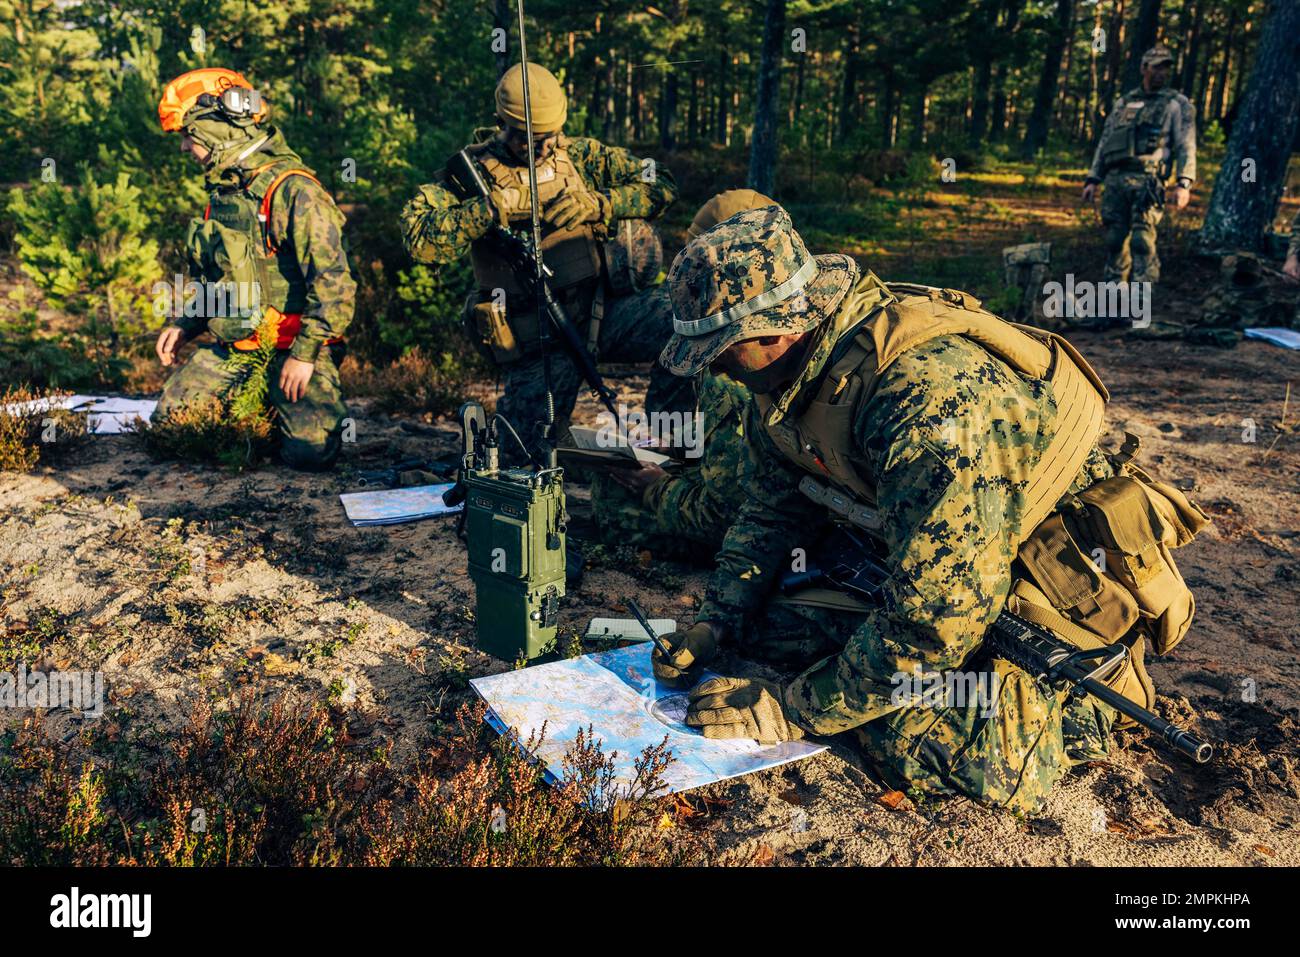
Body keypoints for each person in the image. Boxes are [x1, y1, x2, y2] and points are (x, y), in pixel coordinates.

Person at [649, 205, 1207, 812]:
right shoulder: (789, 378)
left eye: (720, 351)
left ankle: (1077, 714)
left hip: (1047, 596)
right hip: (935, 567)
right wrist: (717, 622)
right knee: (767, 633)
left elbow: (937, 618)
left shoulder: (921, 402)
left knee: (938, 750)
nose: (713, 369)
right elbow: (773, 507)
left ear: (777, 327)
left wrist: (793, 710)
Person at [400, 62, 688, 461]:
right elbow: (420, 240)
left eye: (547, 137)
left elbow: (662, 183)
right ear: (501, 121)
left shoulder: (583, 157)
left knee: (687, 324)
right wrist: (481, 213)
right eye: (524, 139)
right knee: (524, 462)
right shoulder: (471, 173)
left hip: (604, 313)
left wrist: (600, 203)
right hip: (538, 339)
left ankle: (672, 457)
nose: (539, 148)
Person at [153, 68, 354, 470]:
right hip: (235, 347)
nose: (184, 149)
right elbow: (220, 280)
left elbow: (334, 286)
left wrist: (305, 354)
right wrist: (186, 324)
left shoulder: (295, 191)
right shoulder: (225, 195)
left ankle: (275, 404)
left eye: (187, 136)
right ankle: (257, 405)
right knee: (170, 427)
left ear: (215, 129)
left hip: (294, 349)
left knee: (310, 454)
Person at [589, 190, 775, 559]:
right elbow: (738, 432)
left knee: (613, 500)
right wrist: (678, 442)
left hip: (764, 527)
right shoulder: (774, 331)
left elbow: (720, 517)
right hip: (768, 496)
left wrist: (655, 488)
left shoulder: (730, 359)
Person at [1082, 45, 1196, 290]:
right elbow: (1106, 141)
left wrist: (1184, 181)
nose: (1161, 74)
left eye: (1166, 68)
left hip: (1149, 181)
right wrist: (1093, 178)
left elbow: (1186, 144)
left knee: (1142, 240)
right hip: (1116, 180)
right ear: (1144, 68)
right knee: (1114, 240)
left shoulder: (1176, 104)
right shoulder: (1125, 103)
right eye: (1156, 67)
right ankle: (1114, 300)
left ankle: (1141, 301)